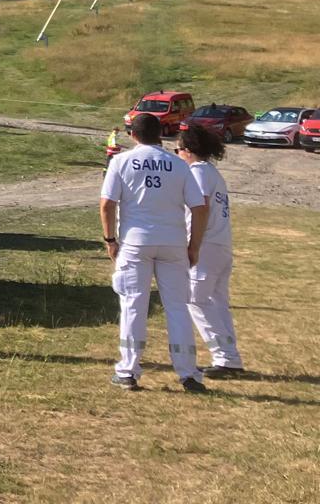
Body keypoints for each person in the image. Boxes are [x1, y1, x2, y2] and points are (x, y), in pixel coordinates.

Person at [99, 112, 208, 391]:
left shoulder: (121, 161)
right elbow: (199, 207)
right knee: (177, 308)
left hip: (136, 242)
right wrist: (193, 246)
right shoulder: (179, 165)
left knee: (134, 304)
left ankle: (128, 370)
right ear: (160, 134)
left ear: (132, 135)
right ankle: (188, 373)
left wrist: (110, 239)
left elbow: (107, 204)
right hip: (172, 242)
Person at [177, 125, 243, 377]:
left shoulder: (198, 173)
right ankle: (230, 358)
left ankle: (224, 357)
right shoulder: (211, 172)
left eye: (179, 149)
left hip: (207, 246)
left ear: (188, 151)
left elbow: (200, 208)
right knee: (217, 302)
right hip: (219, 244)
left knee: (195, 300)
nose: (178, 154)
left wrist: (192, 244)